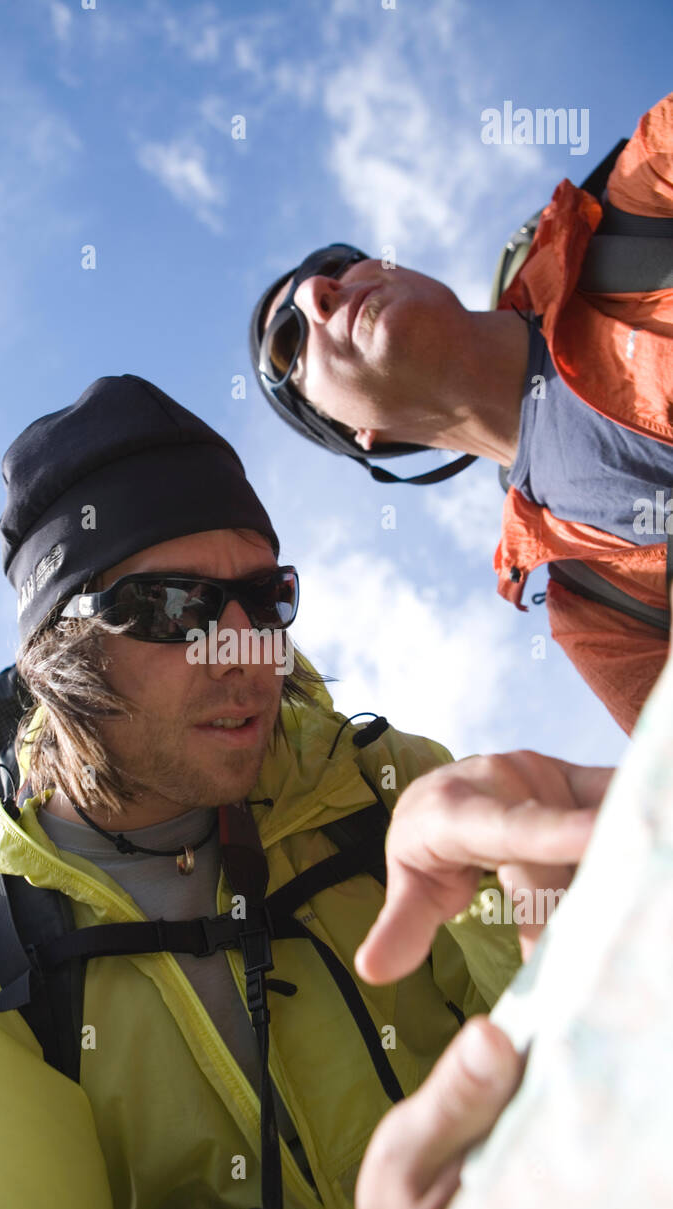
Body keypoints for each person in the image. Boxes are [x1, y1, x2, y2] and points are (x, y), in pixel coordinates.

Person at [0, 373, 531, 1209]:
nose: (246, 650)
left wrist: (567, 905)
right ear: (61, 650)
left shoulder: (385, 787)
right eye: (178, 608)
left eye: (265, 597)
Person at [249, 92, 673, 737]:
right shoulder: (597, 611)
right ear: (360, 436)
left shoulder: (636, 210)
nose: (316, 290)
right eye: (288, 343)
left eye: (331, 264)